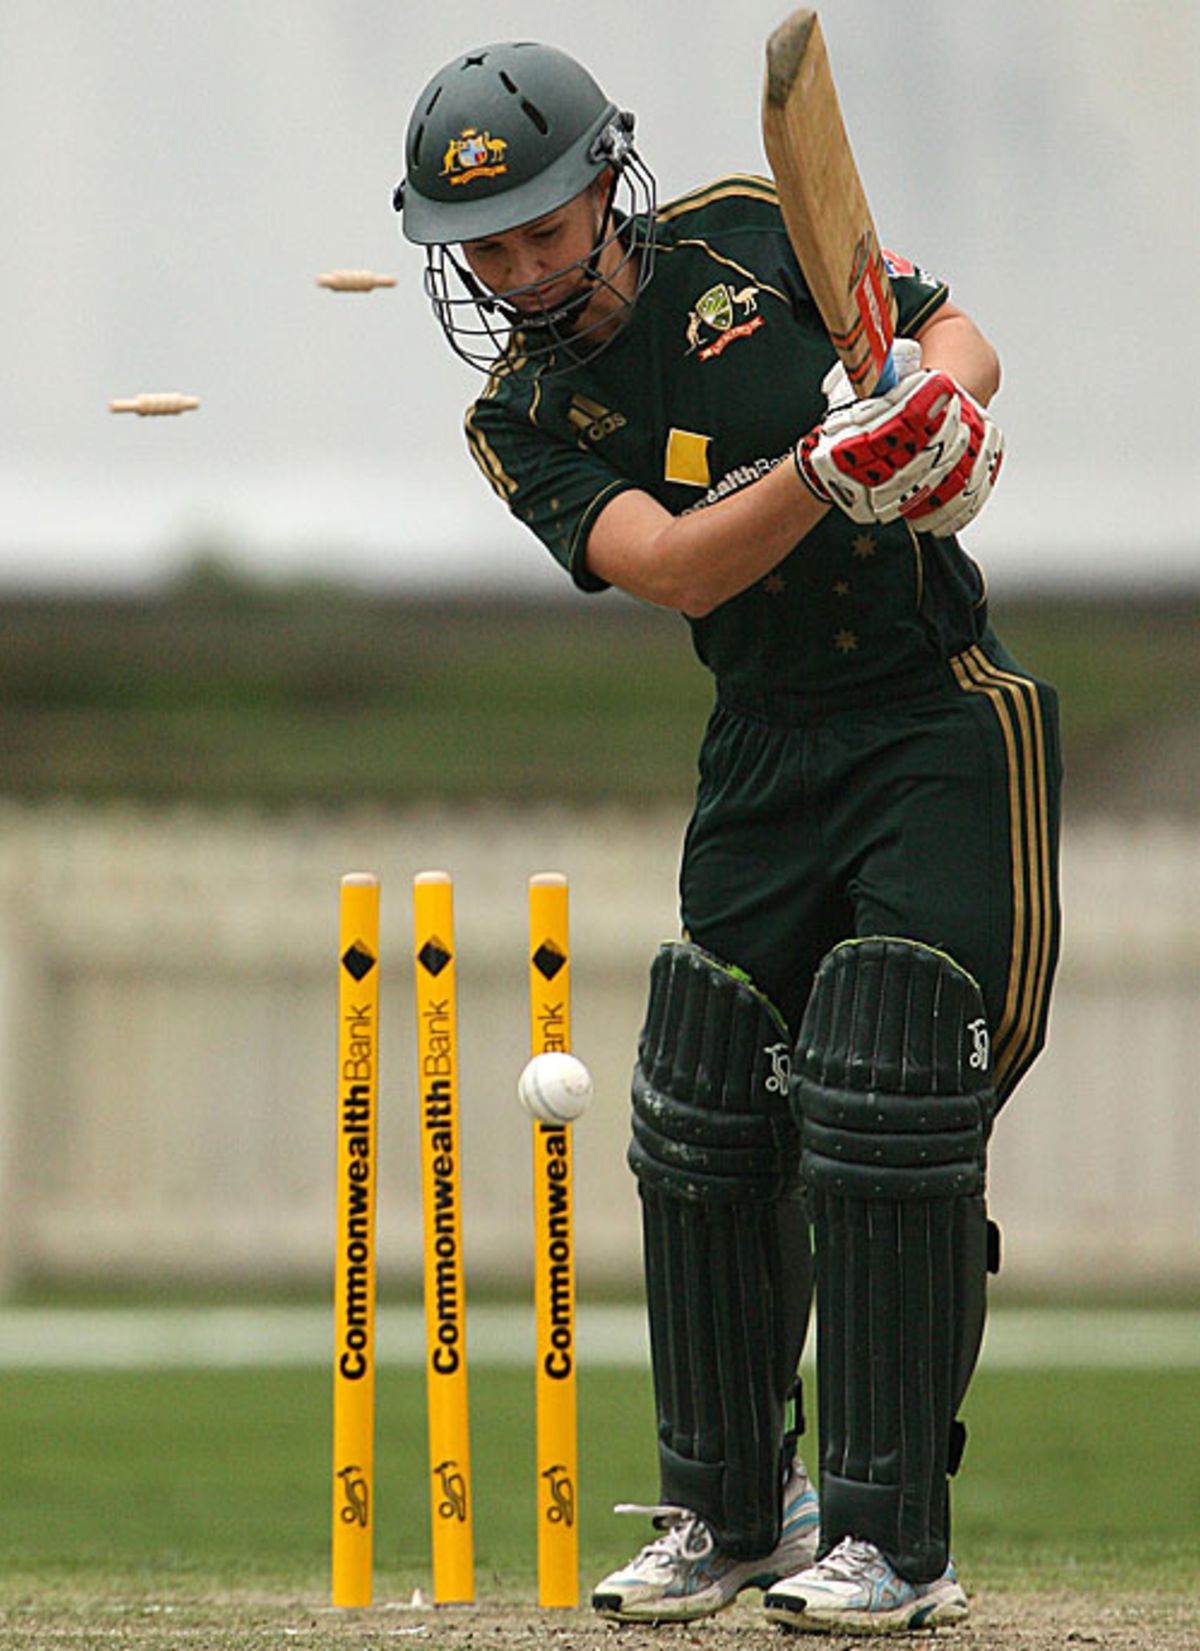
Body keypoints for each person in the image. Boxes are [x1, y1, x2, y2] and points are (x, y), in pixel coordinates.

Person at [395, 39, 1061, 1637]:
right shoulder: (521, 417)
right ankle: (731, 1511)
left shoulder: (751, 232)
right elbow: (685, 569)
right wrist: (833, 470)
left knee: (889, 1089)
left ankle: (896, 1537)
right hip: (762, 750)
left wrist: (927, 408)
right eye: (484, 246)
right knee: (706, 1100)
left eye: (544, 228)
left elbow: (955, 335)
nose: (519, 268)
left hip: (933, 714)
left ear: (601, 189)